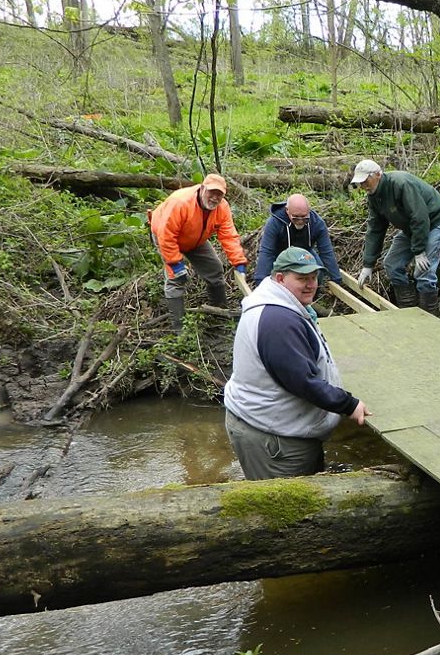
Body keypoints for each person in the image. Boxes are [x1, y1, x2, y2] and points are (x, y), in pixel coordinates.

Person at [224, 247, 369, 480]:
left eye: (313, 277)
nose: (310, 284)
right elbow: (301, 381)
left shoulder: (283, 305)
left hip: (270, 425)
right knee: (286, 511)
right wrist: (348, 404)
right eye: (302, 278)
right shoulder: (277, 321)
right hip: (272, 438)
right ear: (280, 278)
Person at [148, 173, 248, 332]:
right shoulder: (180, 203)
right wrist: (175, 264)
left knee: (215, 269)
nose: (215, 198)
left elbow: (229, 236)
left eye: (219, 194)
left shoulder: (222, 208)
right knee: (176, 279)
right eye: (211, 192)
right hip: (166, 236)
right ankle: (179, 329)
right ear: (202, 189)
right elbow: (166, 236)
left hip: (195, 239)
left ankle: (219, 312)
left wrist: (239, 263)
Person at [349, 158, 440, 314]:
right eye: (360, 183)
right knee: (392, 264)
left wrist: (419, 251)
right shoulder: (374, 196)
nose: (363, 186)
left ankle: (429, 319)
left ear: (377, 175)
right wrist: (368, 264)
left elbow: (420, 217)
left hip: (434, 223)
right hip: (412, 228)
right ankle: (408, 311)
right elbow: (375, 229)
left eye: (365, 181)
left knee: (424, 272)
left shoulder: (400, 184)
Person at [253, 193, 343, 288]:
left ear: (309, 211)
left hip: (304, 252)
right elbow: (267, 252)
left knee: (318, 270)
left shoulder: (317, 223)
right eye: (295, 217)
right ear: (287, 210)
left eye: (304, 217)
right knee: (283, 277)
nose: (300, 221)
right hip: (279, 254)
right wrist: (260, 282)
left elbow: (326, 252)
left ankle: (310, 296)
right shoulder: (274, 223)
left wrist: (336, 279)